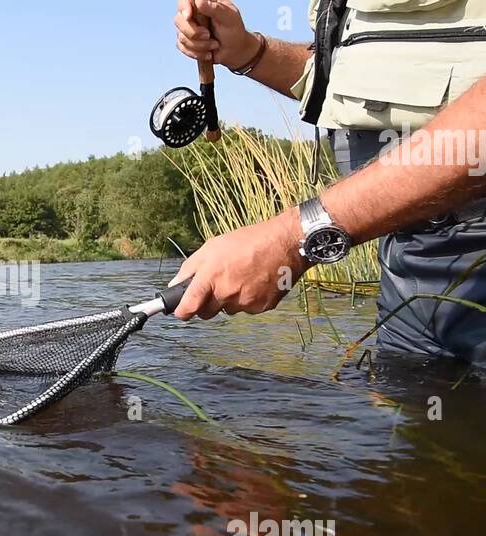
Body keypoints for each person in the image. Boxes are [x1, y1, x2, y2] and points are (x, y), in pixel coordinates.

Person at [170, 0, 486, 362]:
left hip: (473, 255)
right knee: (424, 406)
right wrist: (247, 51)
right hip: (410, 264)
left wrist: (297, 234)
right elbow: (346, 79)